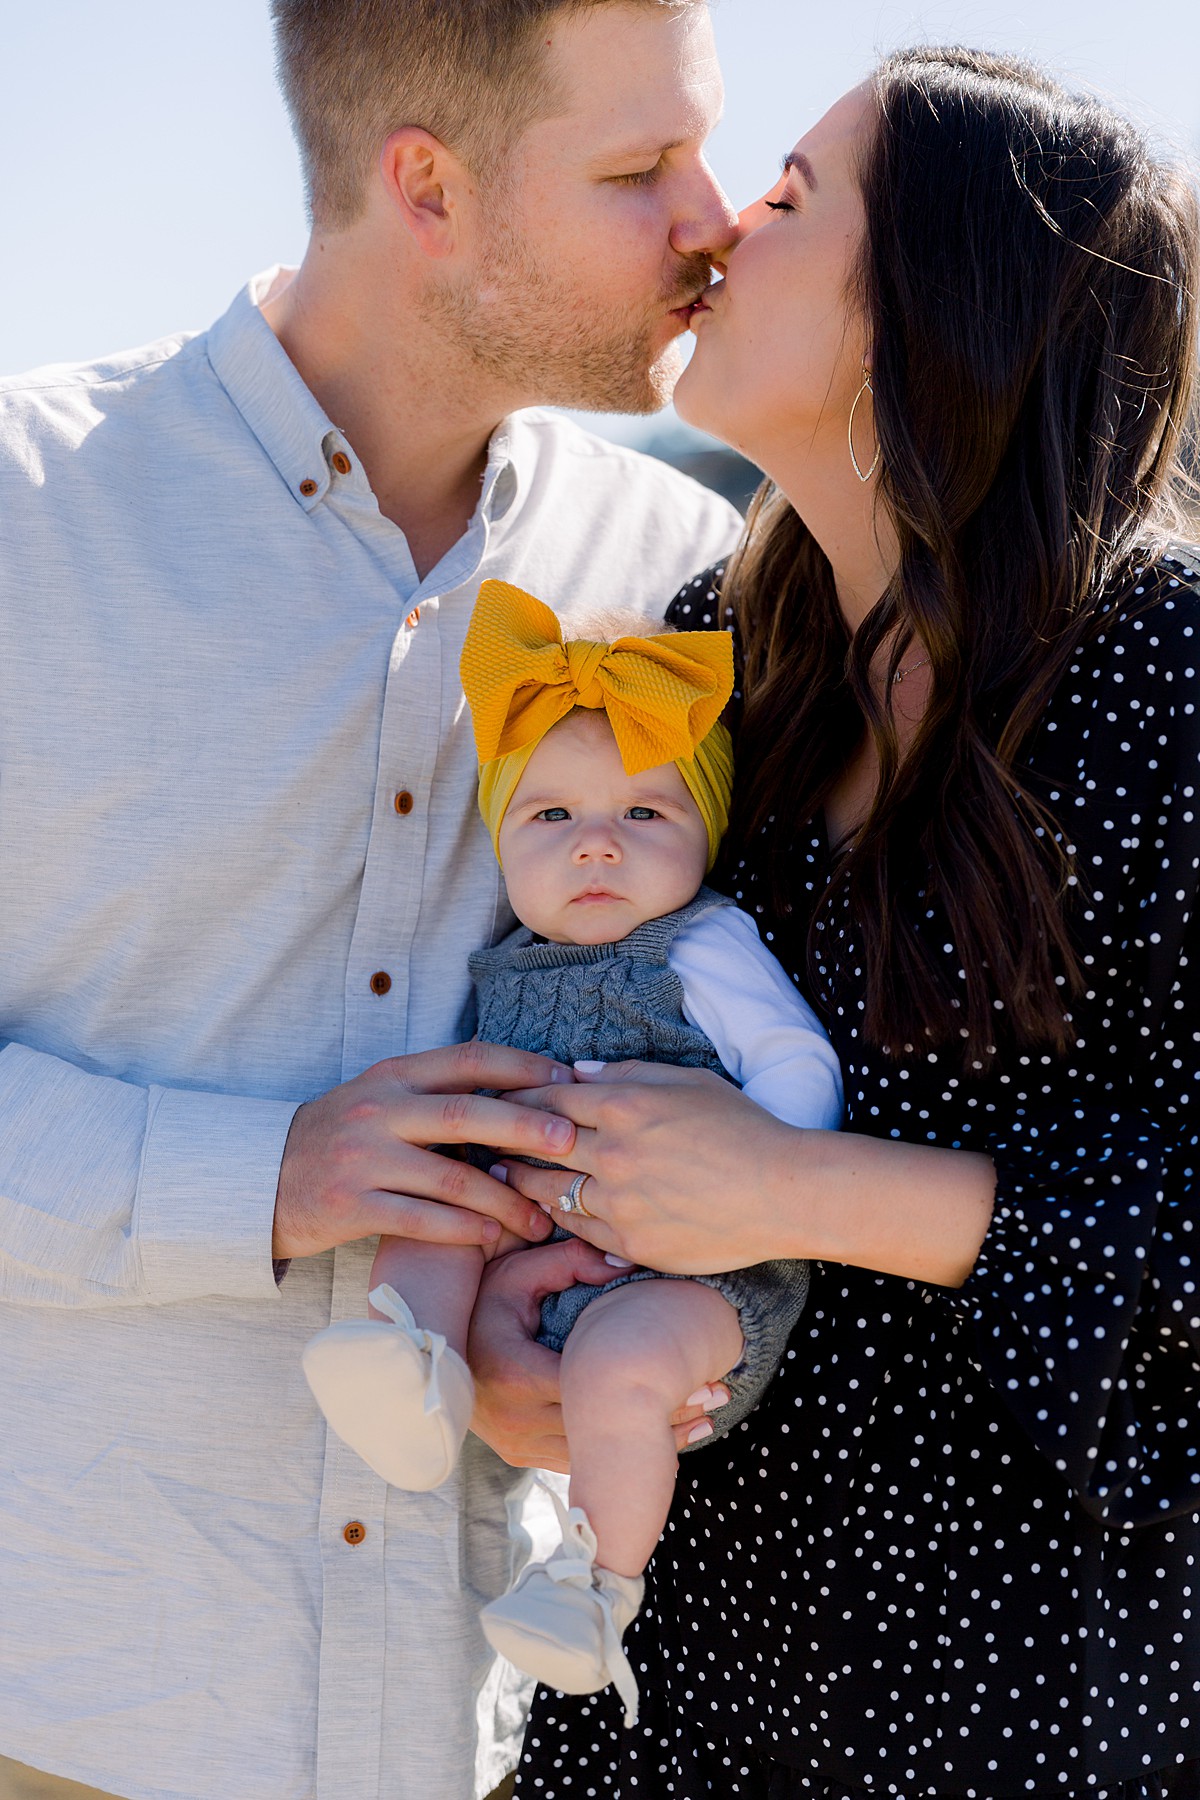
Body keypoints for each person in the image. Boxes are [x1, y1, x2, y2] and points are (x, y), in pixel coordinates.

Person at [0, 4, 744, 1798]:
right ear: (428, 187)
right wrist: (260, 1177)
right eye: (642, 167)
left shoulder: (690, 574)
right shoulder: (27, 515)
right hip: (64, 1720)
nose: (712, 218)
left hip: (487, 1742)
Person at [473, 47, 1200, 1797]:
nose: (723, 226)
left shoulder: (1165, 675)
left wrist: (801, 1191)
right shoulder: (720, 648)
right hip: (681, 1680)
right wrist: (515, 1314)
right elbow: (594, 1008)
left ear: (931, 300)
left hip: (1027, 1691)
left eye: (792, 197)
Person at [300, 578, 843, 1722]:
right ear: (501, 841)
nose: (597, 844)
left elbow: (797, 1061)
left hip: (692, 1279)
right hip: (535, 1234)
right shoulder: (506, 959)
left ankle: (593, 1589)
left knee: (616, 1367)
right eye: (551, 817)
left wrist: (767, 1179)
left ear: (707, 830)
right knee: (432, 1208)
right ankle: (412, 1364)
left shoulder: (703, 943)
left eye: (644, 813)